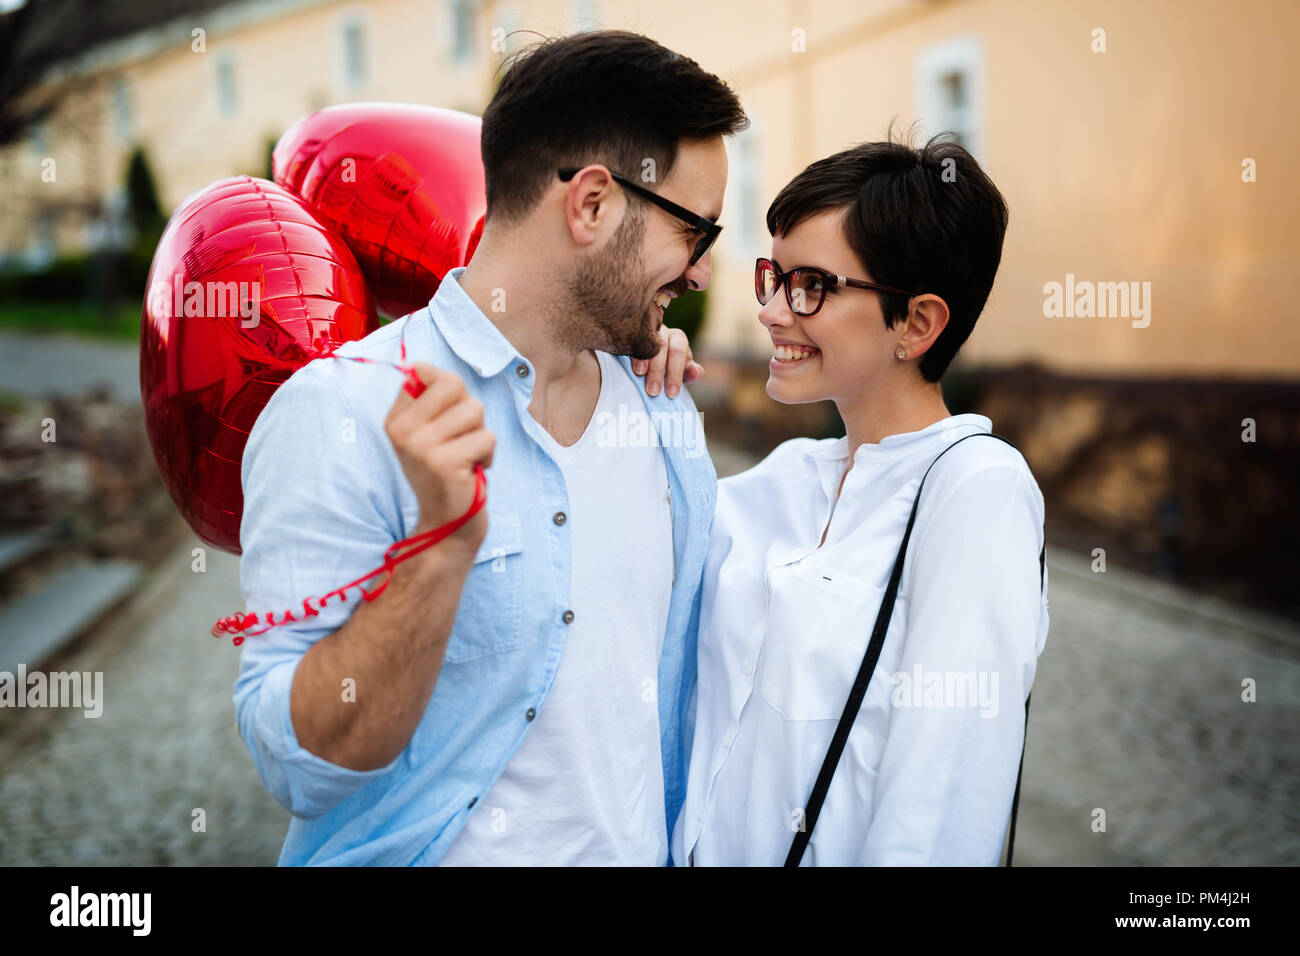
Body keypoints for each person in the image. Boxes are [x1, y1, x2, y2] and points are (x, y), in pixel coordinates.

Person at [234, 30, 747, 866]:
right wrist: (436, 557)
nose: (699, 272)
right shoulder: (344, 410)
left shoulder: (663, 412)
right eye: (697, 230)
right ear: (591, 205)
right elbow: (298, 769)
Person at [672, 134, 1050, 866]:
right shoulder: (782, 479)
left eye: (810, 285)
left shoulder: (976, 490)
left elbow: (942, 797)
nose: (773, 312)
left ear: (917, 323)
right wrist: (630, 382)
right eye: (772, 277)